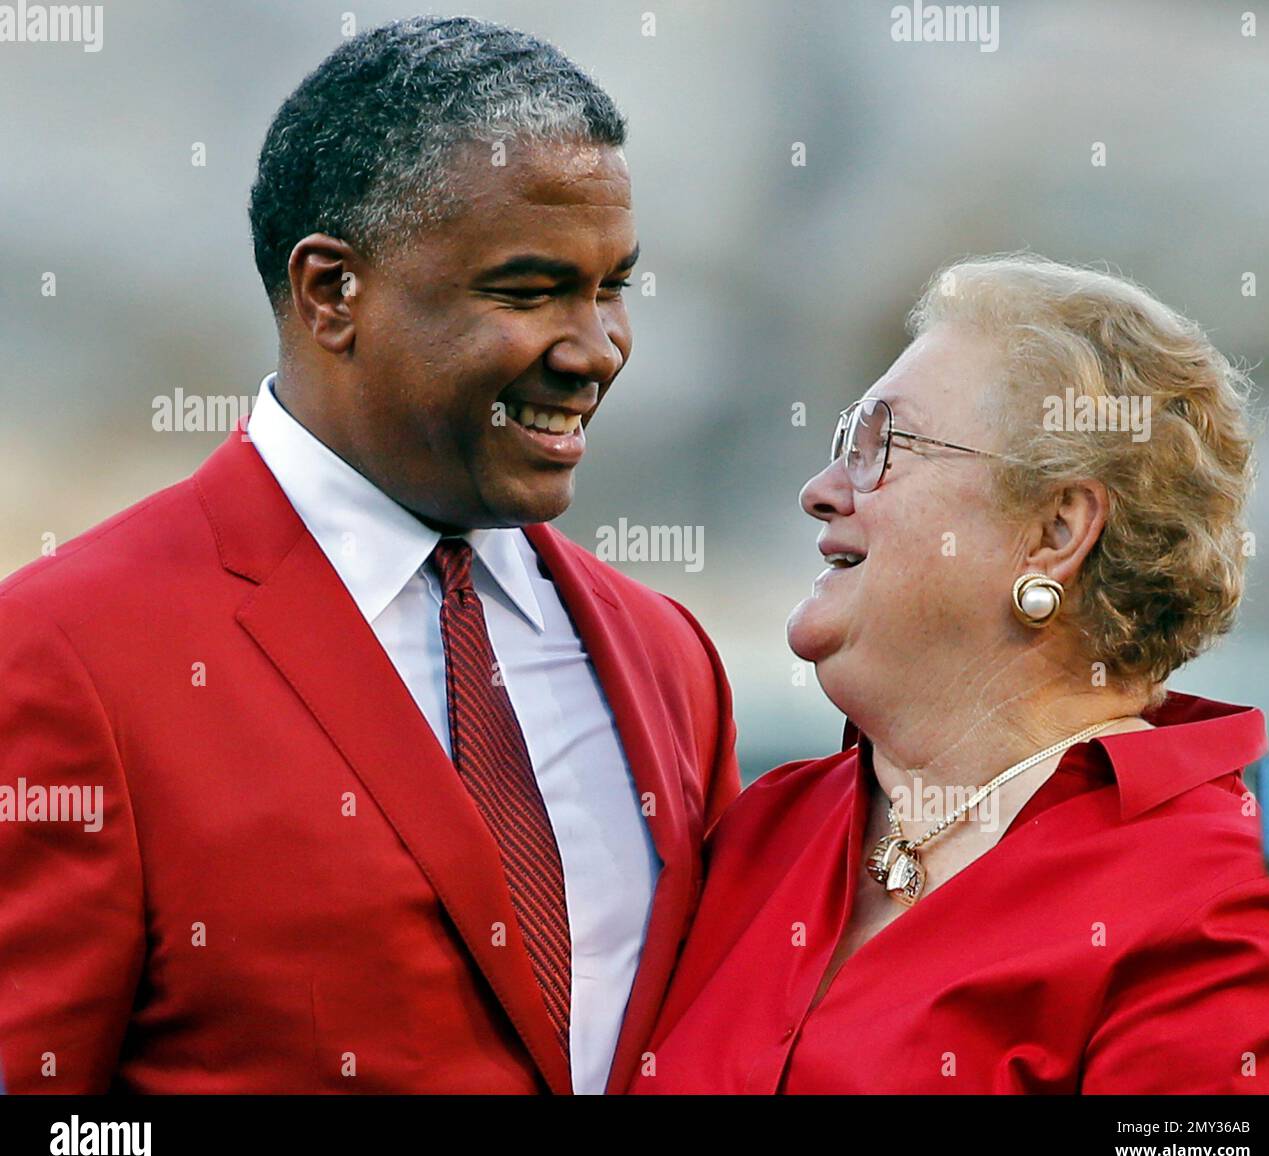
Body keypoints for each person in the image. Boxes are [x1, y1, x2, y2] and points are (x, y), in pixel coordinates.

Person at [0, 16, 739, 1095]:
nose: (593, 350)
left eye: (612, 286)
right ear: (330, 292)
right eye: (528, 292)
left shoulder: (668, 661)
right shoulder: (67, 654)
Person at [631, 252, 1269, 1094]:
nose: (822, 488)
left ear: (1056, 530)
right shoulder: (763, 828)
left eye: (884, 446)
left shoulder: (1222, 898)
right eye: (844, 444)